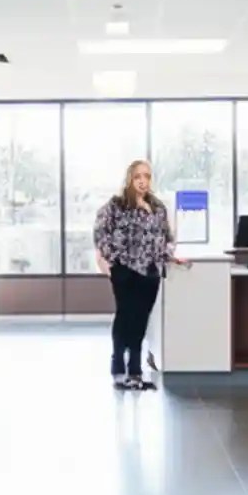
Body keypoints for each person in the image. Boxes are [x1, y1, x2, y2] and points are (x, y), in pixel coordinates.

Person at [93, 160, 186, 391]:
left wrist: (168, 256)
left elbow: (167, 237)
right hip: (125, 269)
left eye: (147, 176)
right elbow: (100, 233)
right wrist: (113, 260)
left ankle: (135, 370)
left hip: (150, 271)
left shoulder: (157, 207)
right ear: (130, 179)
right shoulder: (116, 205)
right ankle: (118, 366)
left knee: (141, 319)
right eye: (138, 177)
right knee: (125, 316)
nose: (143, 181)